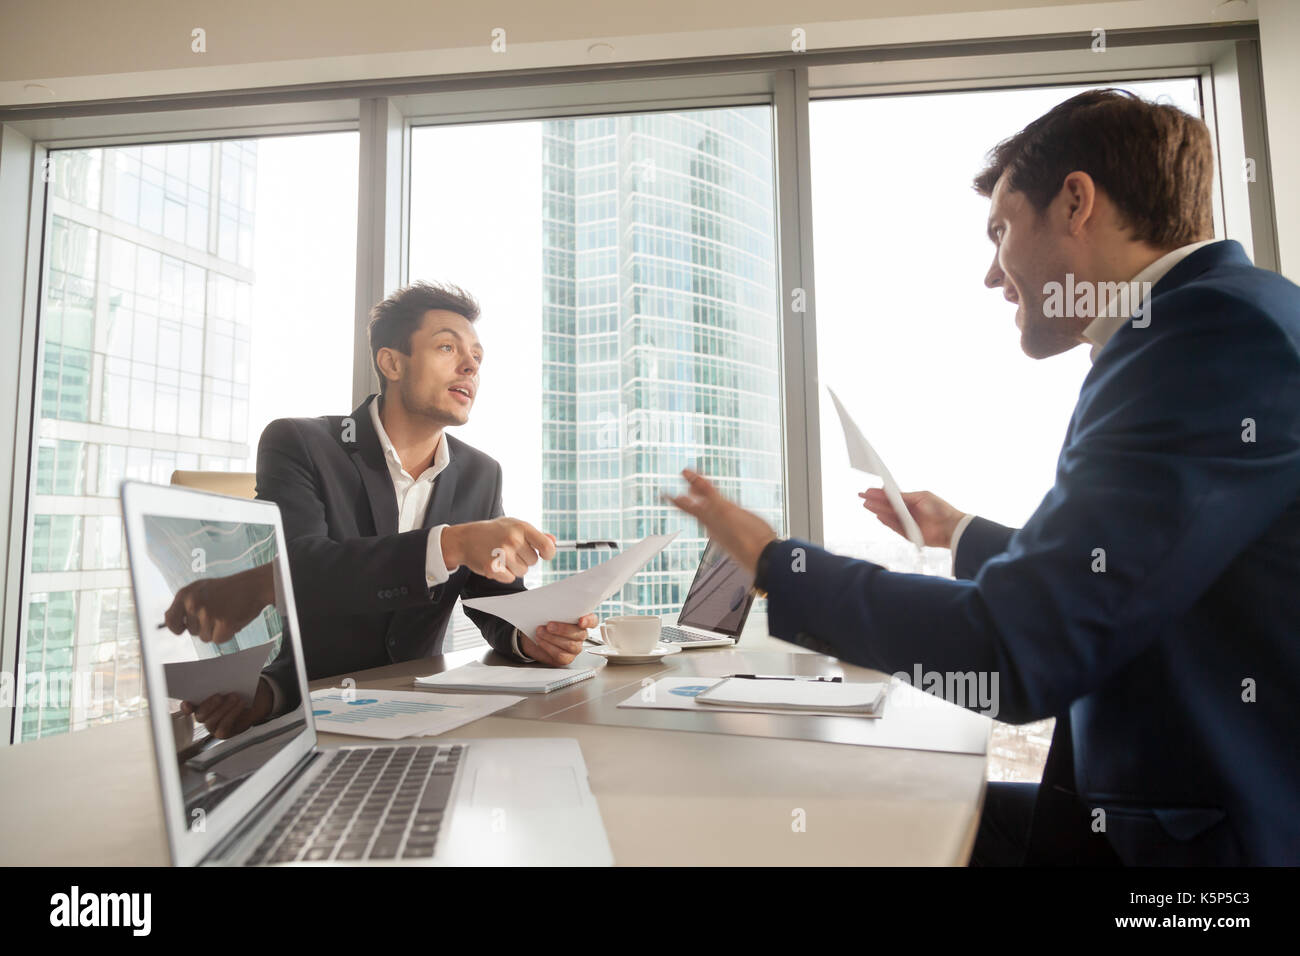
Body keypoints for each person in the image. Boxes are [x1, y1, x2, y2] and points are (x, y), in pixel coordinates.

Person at [667, 90, 1300, 866]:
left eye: (1000, 231)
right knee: (885, 800)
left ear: (1076, 202)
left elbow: (1018, 650)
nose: (993, 275)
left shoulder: (1205, 339)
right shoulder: (1220, 318)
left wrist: (775, 562)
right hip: (1159, 811)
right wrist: (957, 533)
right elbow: (1127, 574)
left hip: (1211, 861)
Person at [186, 280, 595, 738]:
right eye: (447, 347)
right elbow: (299, 570)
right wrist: (452, 543)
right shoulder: (300, 443)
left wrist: (529, 637)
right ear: (391, 362)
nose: (469, 367)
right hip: (303, 713)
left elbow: (492, 601)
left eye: (477, 358)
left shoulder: (482, 472)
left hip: (421, 715)